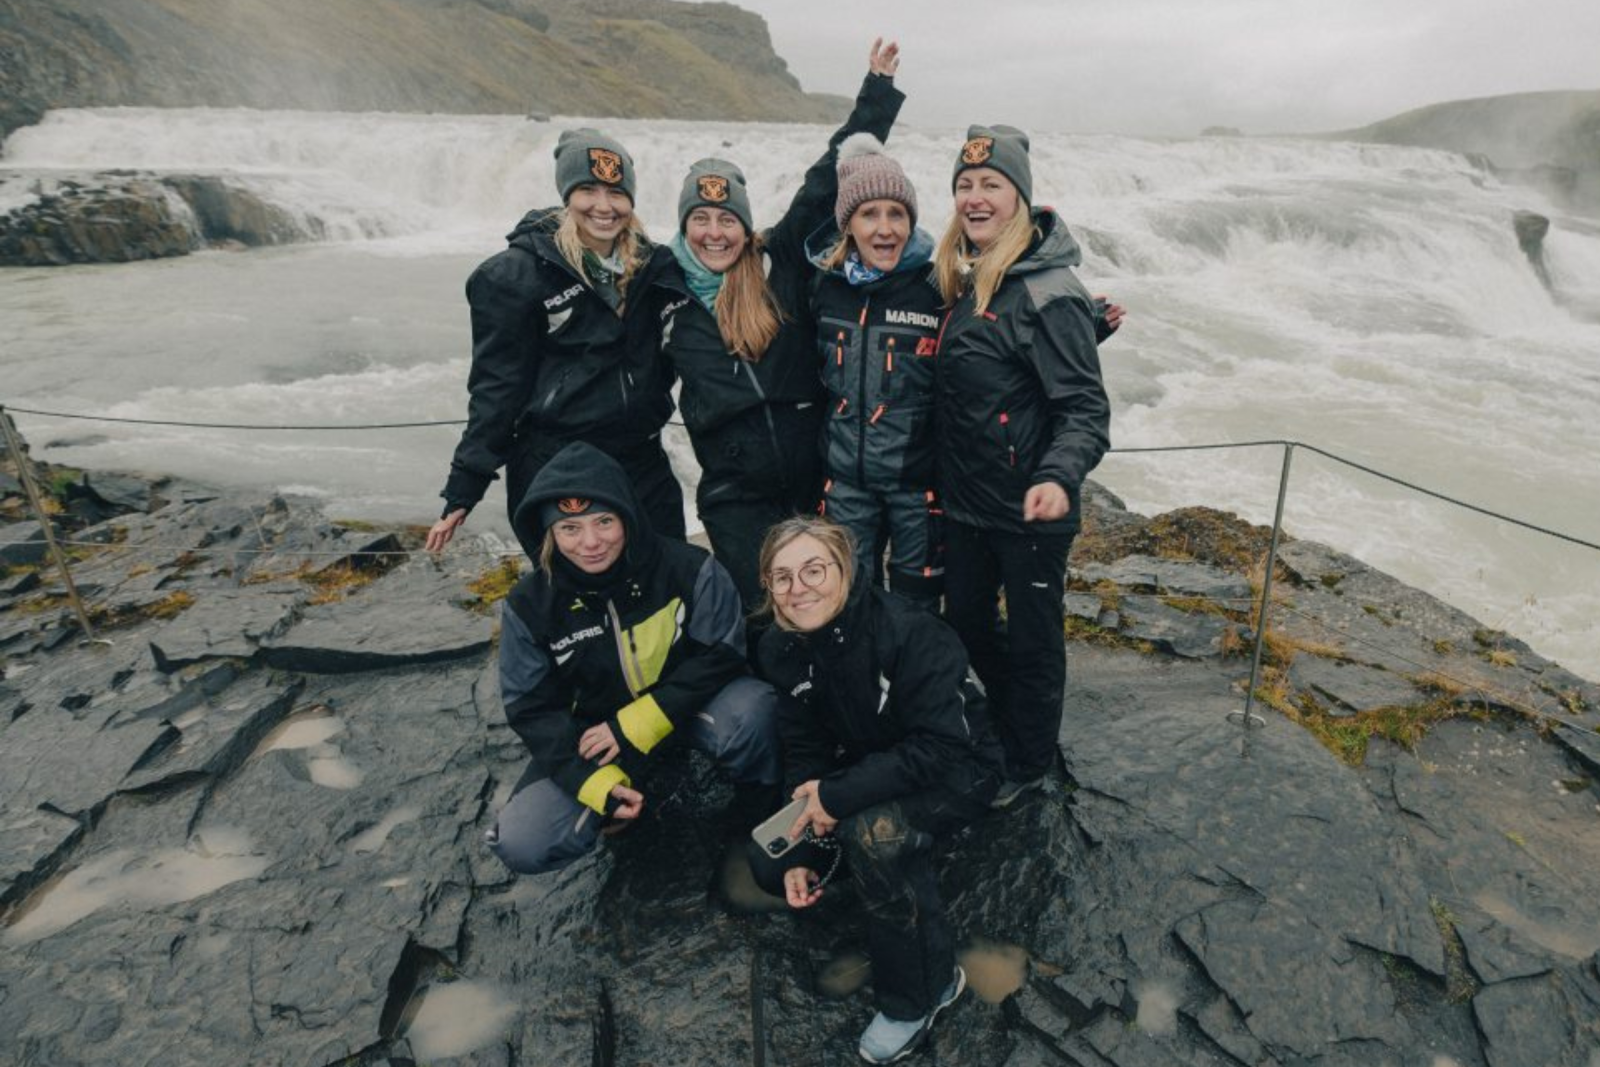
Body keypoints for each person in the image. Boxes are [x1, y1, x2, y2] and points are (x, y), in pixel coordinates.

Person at [747, 516, 1002, 1064]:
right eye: (782, 577)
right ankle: (859, 871)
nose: (799, 589)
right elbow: (804, 745)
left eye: (814, 569)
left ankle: (926, 992)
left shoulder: (910, 631)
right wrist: (804, 837)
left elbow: (942, 748)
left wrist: (838, 798)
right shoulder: (779, 647)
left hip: (961, 766)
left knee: (875, 834)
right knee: (773, 864)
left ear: (846, 569)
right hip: (869, 759)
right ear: (768, 587)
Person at [663, 39, 904, 613]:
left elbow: (826, 180)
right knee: (766, 615)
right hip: (734, 497)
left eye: (728, 219)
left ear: (746, 227)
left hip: (813, 482)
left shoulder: (782, 262)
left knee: (836, 606)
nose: (714, 233)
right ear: (683, 227)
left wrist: (875, 94)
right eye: (700, 219)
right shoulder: (661, 291)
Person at [485, 441, 779, 875]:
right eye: (569, 529)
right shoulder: (529, 604)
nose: (590, 543)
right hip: (595, 743)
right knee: (523, 843)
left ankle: (758, 812)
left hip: (683, 714)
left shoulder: (690, 568)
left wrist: (637, 723)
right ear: (548, 534)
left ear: (628, 515)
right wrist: (591, 782)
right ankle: (617, 805)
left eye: (604, 521)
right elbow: (531, 708)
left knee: (756, 709)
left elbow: (722, 655)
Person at [932, 125, 1112, 807]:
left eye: (991, 185)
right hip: (969, 502)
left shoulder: (1049, 290)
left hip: (1032, 509)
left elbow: (1086, 410)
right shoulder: (961, 277)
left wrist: (1055, 476)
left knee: (1036, 641)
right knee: (970, 624)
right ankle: (1014, 722)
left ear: (1020, 198)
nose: (976, 198)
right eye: (966, 185)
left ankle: (1030, 759)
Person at [429, 128, 688, 558]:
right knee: (577, 603)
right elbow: (496, 389)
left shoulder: (656, 267)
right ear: (566, 194)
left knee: (669, 582)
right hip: (557, 467)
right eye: (588, 190)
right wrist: (464, 487)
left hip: (642, 461)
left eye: (616, 192)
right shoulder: (514, 277)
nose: (604, 207)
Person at [805, 134, 945, 608]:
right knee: (850, 602)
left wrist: (1071, 329)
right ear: (848, 225)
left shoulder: (939, 286)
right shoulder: (825, 287)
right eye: (869, 214)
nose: (885, 229)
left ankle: (915, 684)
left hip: (917, 490)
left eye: (897, 214)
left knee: (916, 609)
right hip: (844, 485)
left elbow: (996, 343)